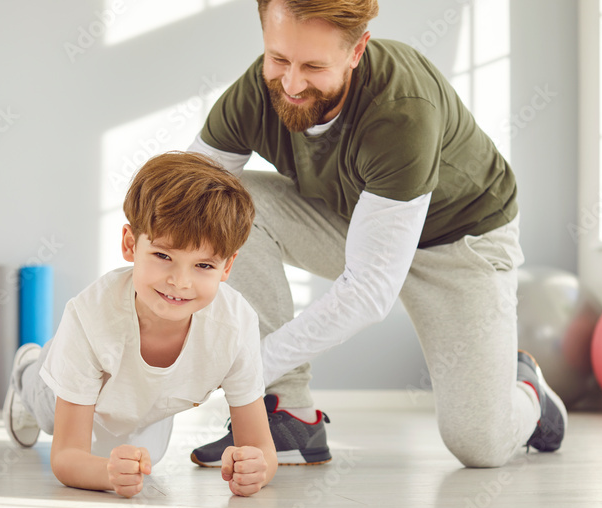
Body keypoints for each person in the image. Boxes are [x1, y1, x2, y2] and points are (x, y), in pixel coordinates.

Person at [187, 0, 567, 470]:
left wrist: (248, 366)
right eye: (279, 59)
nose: (291, 84)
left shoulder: (401, 109)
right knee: (219, 199)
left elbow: (370, 291)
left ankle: (528, 390)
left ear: (357, 50)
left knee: (479, 445)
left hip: (460, 242)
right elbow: (185, 205)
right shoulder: (257, 92)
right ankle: (288, 415)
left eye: (313, 66)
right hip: (353, 219)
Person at [2, 152, 278, 497]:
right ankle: (27, 371)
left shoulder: (235, 325)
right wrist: (106, 474)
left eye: (204, 266)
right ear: (130, 244)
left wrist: (256, 467)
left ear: (227, 266)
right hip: (76, 382)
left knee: (148, 458)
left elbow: (262, 449)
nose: (180, 282)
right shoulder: (90, 317)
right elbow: (66, 457)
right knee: (46, 415)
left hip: (143, 403)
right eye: (163, 256)